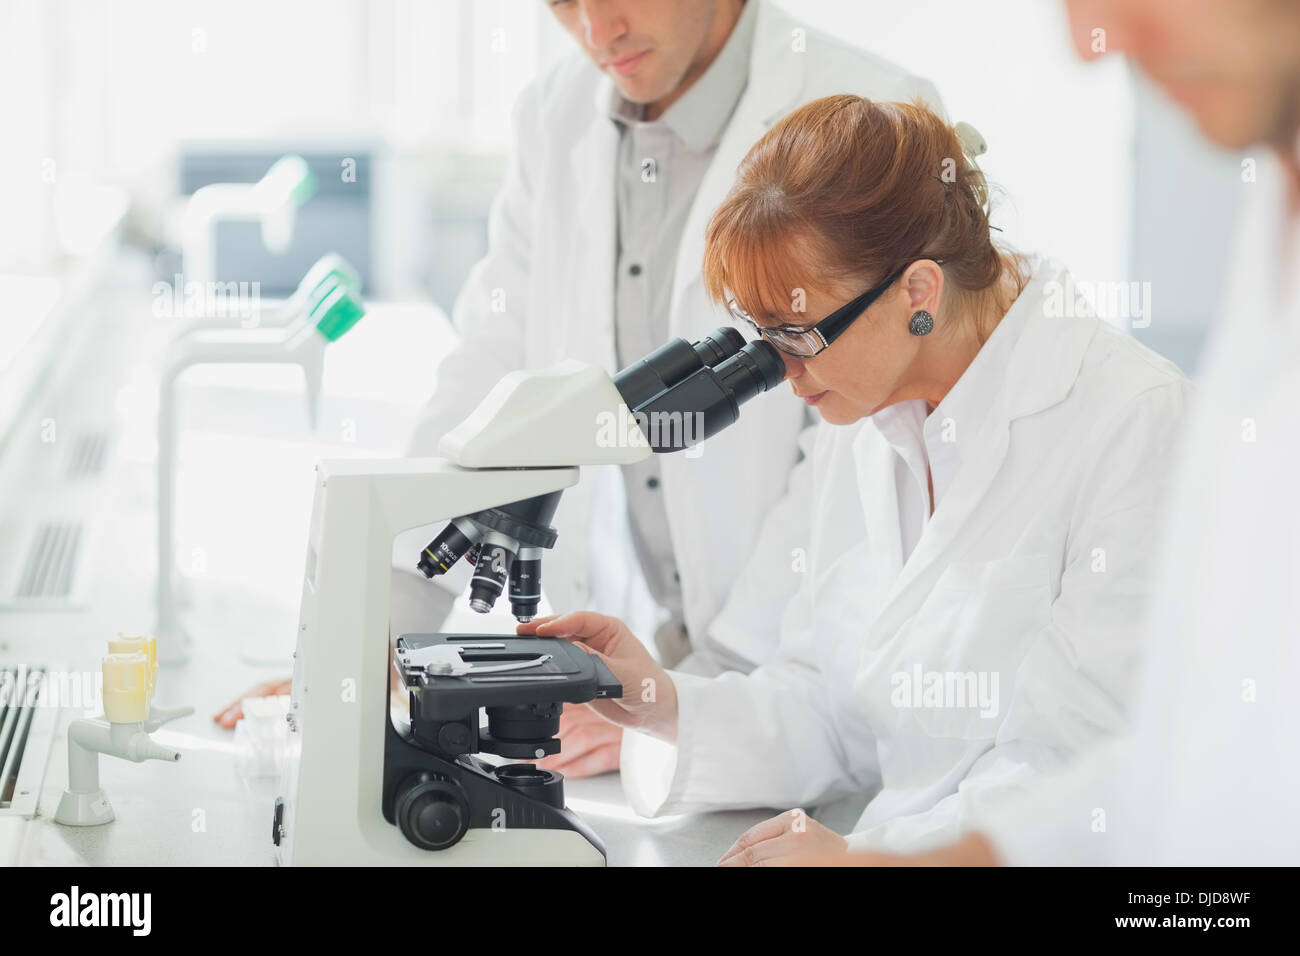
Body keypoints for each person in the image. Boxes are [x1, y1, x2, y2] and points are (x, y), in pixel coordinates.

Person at [218, 0, 941, 783]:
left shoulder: (877, 117)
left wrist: (692, 713)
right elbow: (490, 376)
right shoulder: (556, 114)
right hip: (653, 668)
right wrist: (369, 653)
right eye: (562, 2)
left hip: (791, 689)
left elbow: (845, 452)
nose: (598, 30)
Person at [518, 93, 1192, 860]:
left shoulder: (1135, 422)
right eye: (765, 336)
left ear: (918, 292)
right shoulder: (866, 417)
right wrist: (660, 702)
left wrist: (868, 862)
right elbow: (838, 711)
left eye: (800, 334)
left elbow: (1082, 775)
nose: (785, 372)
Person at [798, 0, 1300, 868]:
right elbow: (1189, 758)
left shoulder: (1135, 412)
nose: (1091, 42)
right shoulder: (1270, 236)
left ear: (918, 292)